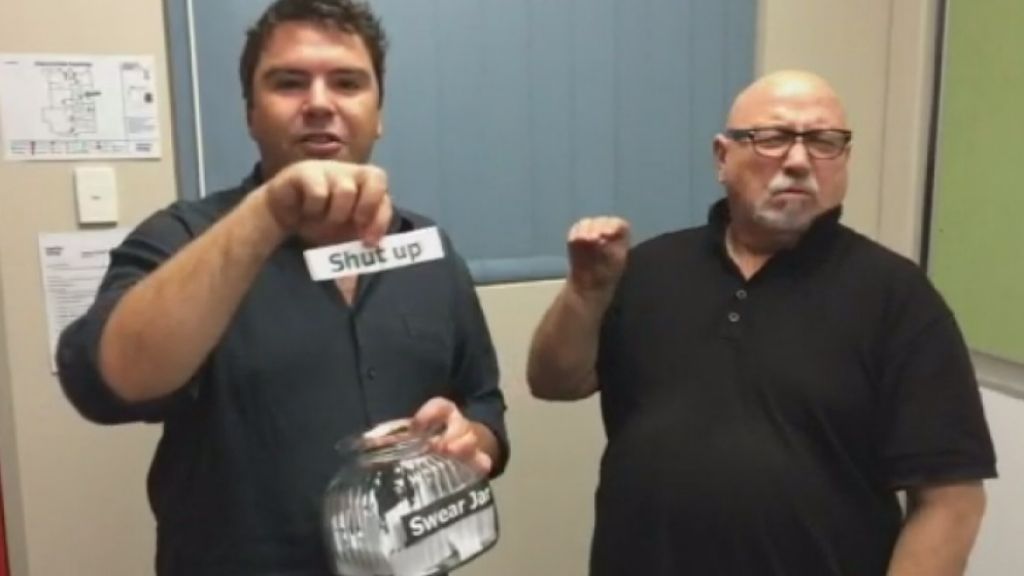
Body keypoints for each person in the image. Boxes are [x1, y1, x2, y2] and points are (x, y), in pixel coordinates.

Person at [56, 1, 508, 574]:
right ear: (251, 113)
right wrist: (268, 214)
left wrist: (472, 442)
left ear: (378, 113)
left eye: (347, 83)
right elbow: (104, 382)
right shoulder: (184, 241)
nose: (319, 103)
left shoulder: (428, 251)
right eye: (289, 83)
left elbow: (484, 403)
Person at [527, 70, 996, 575]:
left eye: (823, 141)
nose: (798, 161)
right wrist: (585, 293)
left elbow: (951, 500)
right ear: (722, 157)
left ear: (846, 160)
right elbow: (554, 381)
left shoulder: (898, 297)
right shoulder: (647, 269)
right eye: (771, 138)